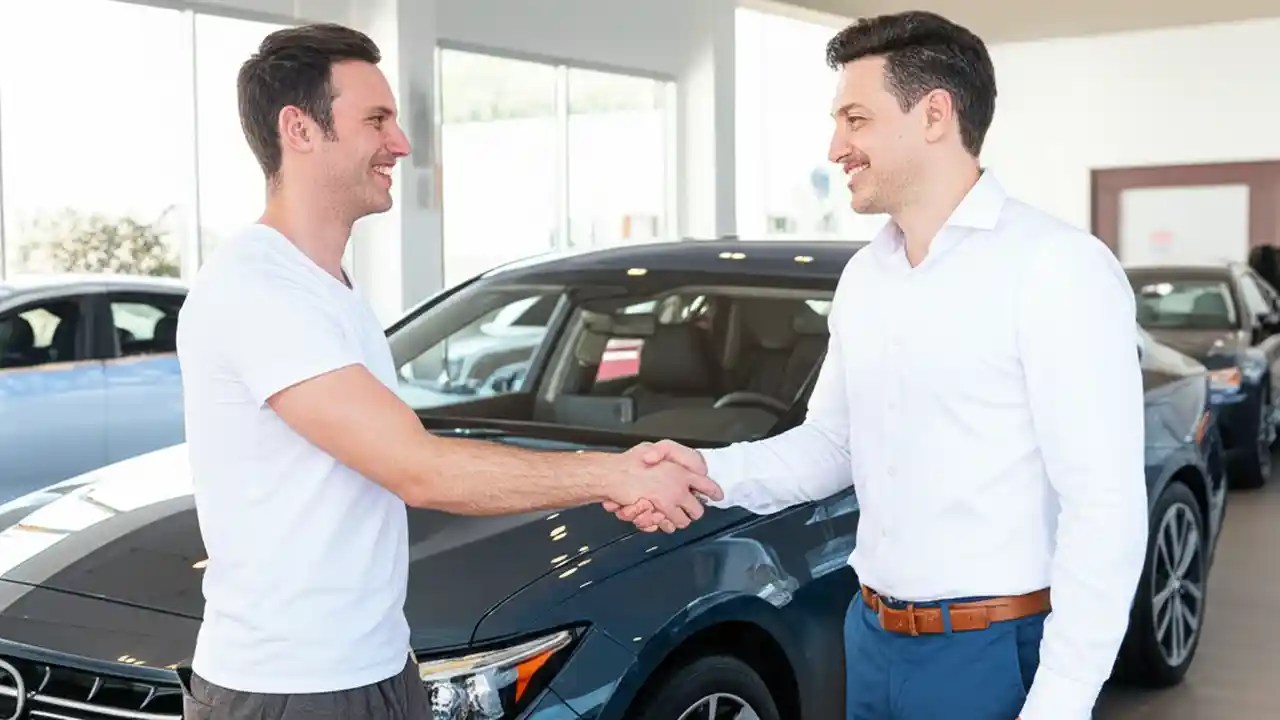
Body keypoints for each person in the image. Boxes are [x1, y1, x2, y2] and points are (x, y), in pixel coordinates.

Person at [609, 10, 1148, 720]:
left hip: (988, 650)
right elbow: (832, 445)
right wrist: (704, 473)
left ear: (933, 114)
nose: (837, 147)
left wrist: (1063, 701)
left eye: (855, 119)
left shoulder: (1055, 267)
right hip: (869, 638)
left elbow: (1103, 506)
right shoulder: (868, 275)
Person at [174, 23, 719, 720]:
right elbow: (417, 468)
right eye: (376, 120)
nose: (400, 143)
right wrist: (614, 473)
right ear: (299, 129)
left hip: (374, 668)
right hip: (294, 690)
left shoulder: (326, 286)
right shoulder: (257, 287)